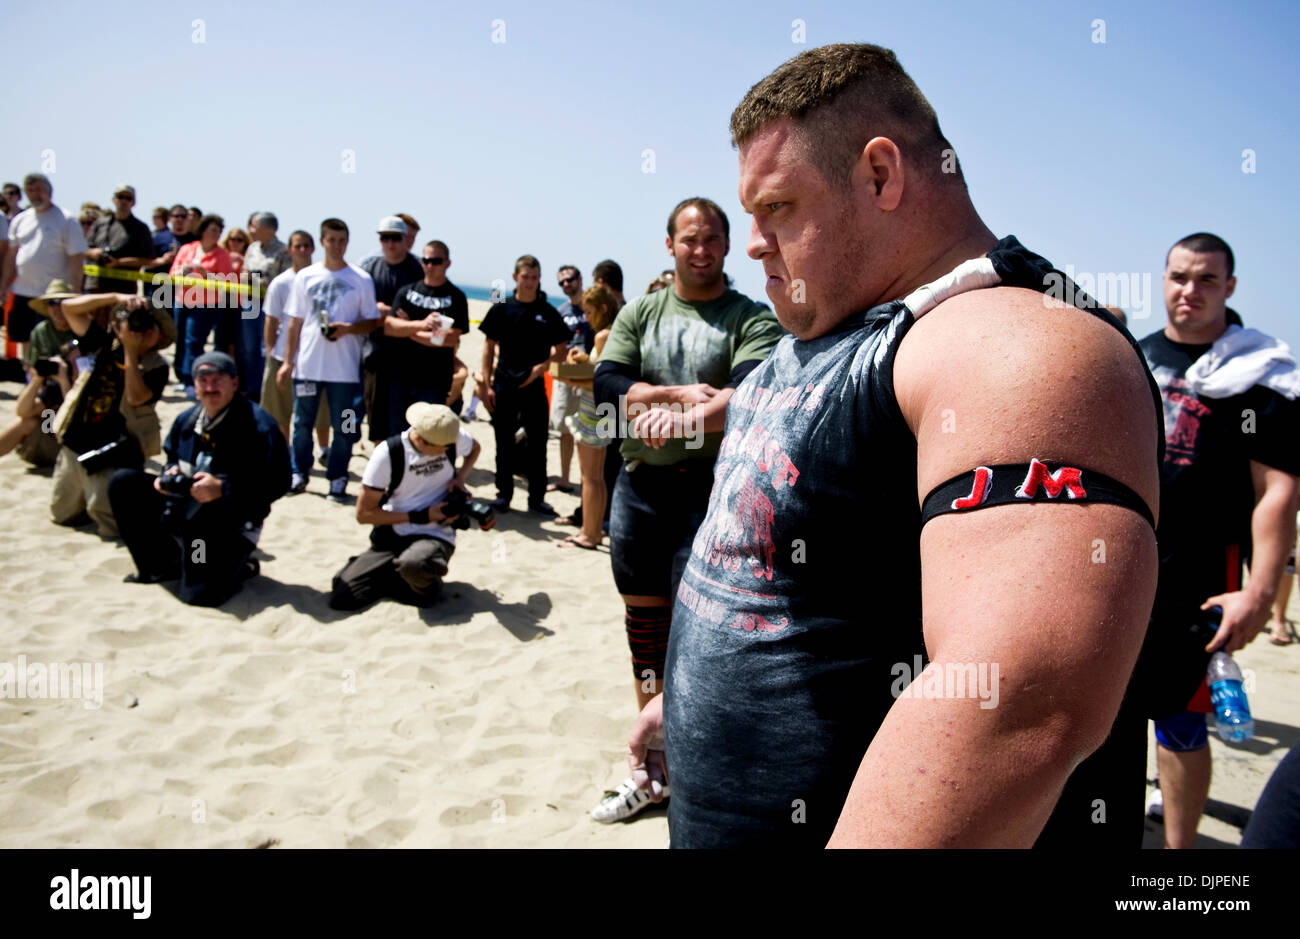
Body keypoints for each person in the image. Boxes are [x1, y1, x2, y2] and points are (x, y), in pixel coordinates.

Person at [620, 43, 1164, 848]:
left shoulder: (1020, 345)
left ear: (880, 175)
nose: (753, 243)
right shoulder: (828, 329)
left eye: (778, 208)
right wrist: (695, 693)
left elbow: (1018, 703)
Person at [588, 197, 783, 823]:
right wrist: (674, 395)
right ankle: (656, 763)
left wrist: (664, 414)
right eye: (690, 239)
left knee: (699, 634)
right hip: (640, 491)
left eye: (713, 239)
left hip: (713, 496)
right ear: (669, 244)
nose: (701, 250)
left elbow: (753, 390)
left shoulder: (749, 317)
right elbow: (607, 384)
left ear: (728, 246)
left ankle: (695, 765)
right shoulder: (641, 312)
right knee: (644, 628)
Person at [1138, 233, 1300, 849]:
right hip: (1124, 567)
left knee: (1180, 719)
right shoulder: (1136, 357)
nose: (1190, 290)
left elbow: (1277, 489)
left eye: (1207, 279)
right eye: (1179, 276)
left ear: (1230, 287)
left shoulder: (1261, 374)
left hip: (1201, 578)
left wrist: (1258, 594)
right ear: (1163, 280)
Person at [108, 351, 290, 606]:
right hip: (186, 510)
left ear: (234, 384)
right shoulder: (187, 420)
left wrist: (223, 489)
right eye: (203, 380)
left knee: (199, 596)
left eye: (218, 380)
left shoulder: (258, 427)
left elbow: (279, 482)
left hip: (228, 522)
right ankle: (159, 567)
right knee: (124, 483)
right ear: (194, 385)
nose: (210, 387)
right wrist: (168, 475)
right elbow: (172, 456)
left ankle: (240, 566)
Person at [329, 402, 482, 610]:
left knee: (414, 566)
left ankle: (424, 584)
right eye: (441, 449)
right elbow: (363, 514)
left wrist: (460, 478)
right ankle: (395, 573)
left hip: (436, 534)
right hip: (394, 531)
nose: (446, 451)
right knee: (342, 595)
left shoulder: (448, 435)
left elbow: (475, 448)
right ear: (419, 438)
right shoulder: (388, 454)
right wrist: (421, 516)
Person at [50, 291, 174, 537]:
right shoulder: (106, 343)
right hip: (75, 443)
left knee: (111, 526)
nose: (142, 331)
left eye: (149, 326)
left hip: (112, 455)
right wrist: (115, 297)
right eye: (135, 325)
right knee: (62, 515)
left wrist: (131, 350)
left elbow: (135, 398)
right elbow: (68, 308)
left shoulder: (156, 366)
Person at [277, 217, 381, 502]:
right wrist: (288, 361)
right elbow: (295, 322)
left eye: (342, 240)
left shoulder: (360, 279)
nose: (337, 246)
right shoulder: (305, 276)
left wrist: (348, 329)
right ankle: (299, 472)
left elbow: (372, 321)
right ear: (322, 241)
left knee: (345, 427)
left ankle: (338, 477)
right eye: (331, 240)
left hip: (345, 370)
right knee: (302, 423)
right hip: (308, 365)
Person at [478, 255, 571, 515]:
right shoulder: (502, 307)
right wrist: (485, 385)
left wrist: (541, 368)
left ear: (539, 279)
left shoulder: (547, 311)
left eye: (534, 277)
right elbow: (488, 347)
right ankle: (503, 495)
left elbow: (562, 349)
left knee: (538, 444)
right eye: (525, 277)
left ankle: (536, 499)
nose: (530, 282)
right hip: (505, 385)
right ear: (515, 277)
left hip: (534, 387)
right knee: (503, 442)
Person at [0, 173, 87, 371]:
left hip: (52, 295)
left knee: (50, 340)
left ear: (49, 191)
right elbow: (12, 256)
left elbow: (76, 258)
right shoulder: (20, 220)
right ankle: (29, 374)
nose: (35, 195)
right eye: (30, 190)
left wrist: (75, 291)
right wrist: (4, 286)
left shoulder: (66, 220)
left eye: (39, 190)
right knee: (23, 337)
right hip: (22, 291)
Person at [554, 284, 618, 549]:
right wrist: (584, 360)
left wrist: (573, 377)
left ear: (602, 309)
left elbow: (604, 380)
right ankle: (594, 529)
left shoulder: (603, 335)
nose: (587, 318)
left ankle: (589, 534)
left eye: (590, 312)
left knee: (589, 477)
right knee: (598, 477)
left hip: (594, 411)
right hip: (605, 412)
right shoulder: (615, 332)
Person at [261, 230, 330, 449]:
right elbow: (271, 321)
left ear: (314, 248)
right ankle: (284, 450)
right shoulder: (280, 283)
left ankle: (323, 449)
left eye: (306, 245)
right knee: (280, 409)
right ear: (289, 249)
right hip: (283, 356)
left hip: (315, 357)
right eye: (297, 246)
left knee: (321, 411)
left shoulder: (323, 278)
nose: (302, 250)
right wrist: (271, 352)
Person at [387, 240, 469, 417]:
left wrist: (408, 330)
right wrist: (423, 326)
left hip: (434, 381)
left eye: (436, 261)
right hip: (401, 376)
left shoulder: (456, 297)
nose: (430, 265)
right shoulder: (406, 291)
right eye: (426, 260)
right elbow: (390, 327)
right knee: (399, 435)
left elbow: (448, 340)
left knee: (429, 437)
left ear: (447, 263)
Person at [0, 279, 78, 466]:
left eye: (62, 303)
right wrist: (39, 379)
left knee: (67, 420)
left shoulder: (82, 331)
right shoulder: (41, 332)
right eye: (52, 303)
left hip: (76, 396)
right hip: (50, 395)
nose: (57, 308)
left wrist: (64, 377)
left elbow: (76, 402)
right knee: (26, 420)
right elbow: (23, 409)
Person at [361, 216, 424, 442]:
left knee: (405, 418)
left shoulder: (419, 269)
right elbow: (361, 309)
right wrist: (387, 313)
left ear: (405, 239)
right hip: (376, 353)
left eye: (395, 238)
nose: (390, 243)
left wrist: (387, 313)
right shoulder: (368, 269)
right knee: (374, 415)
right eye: (385, 237)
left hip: (410, 356)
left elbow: (423, 312)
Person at [171, 214, 237, 398]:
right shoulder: (187, 249)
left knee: (194, 341)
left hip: (206, 304)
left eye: (219, 231)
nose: (217, 234)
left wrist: (203, 273)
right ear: (203, 229)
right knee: (180, 339)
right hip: (182, 299)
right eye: (213, 229)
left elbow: (227, 280)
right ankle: (181, 376)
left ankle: (191, 381)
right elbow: (172, 273)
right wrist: (183, 271)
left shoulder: (222, 255)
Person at [548, 264, 595, 494]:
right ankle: (565, 479)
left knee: (588, 432)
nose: (567, 284)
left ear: (580, 278)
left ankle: (588, 479)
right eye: (562, 282)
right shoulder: (562, 311)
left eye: (570, 279)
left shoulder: (593, 307)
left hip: (590, 378)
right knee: (565, 429)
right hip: (567, 378)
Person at [84, 185, 156, 294]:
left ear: (134, 202)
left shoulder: (140, 228)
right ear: (114, 199)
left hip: (123, 289)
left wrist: (118, 262)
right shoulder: (100, 223)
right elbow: (84, 249)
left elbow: (149, 260)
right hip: (95, 285)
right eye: (120, 196)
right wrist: (97, 254)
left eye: (128, 198)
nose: (124, 201)